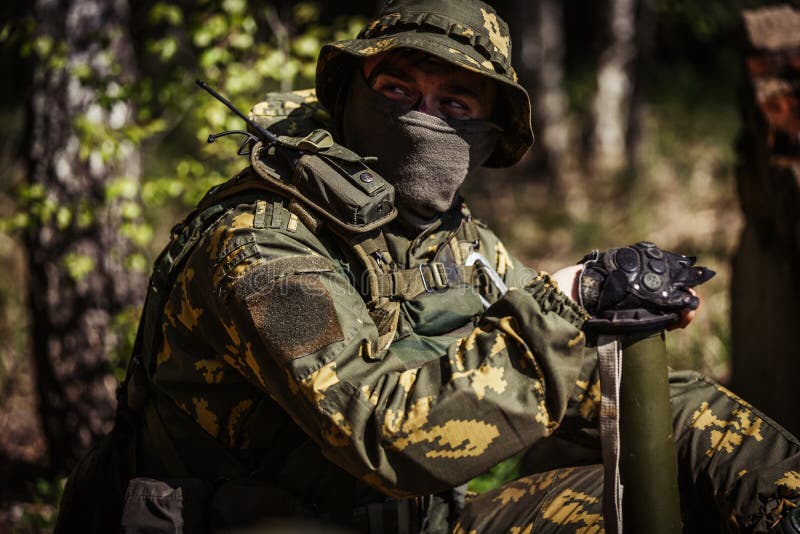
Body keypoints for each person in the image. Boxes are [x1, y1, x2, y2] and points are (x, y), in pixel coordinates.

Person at [55, 0, 800, 532]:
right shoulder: (260, 244)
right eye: (397, 90)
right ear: (349, 97)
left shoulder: (452, 242)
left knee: (689, 461)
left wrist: (614, 339)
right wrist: (565, 302)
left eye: (456, 102)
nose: (424, 118)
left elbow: (575, 382)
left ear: (489, 133)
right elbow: (383, 435)